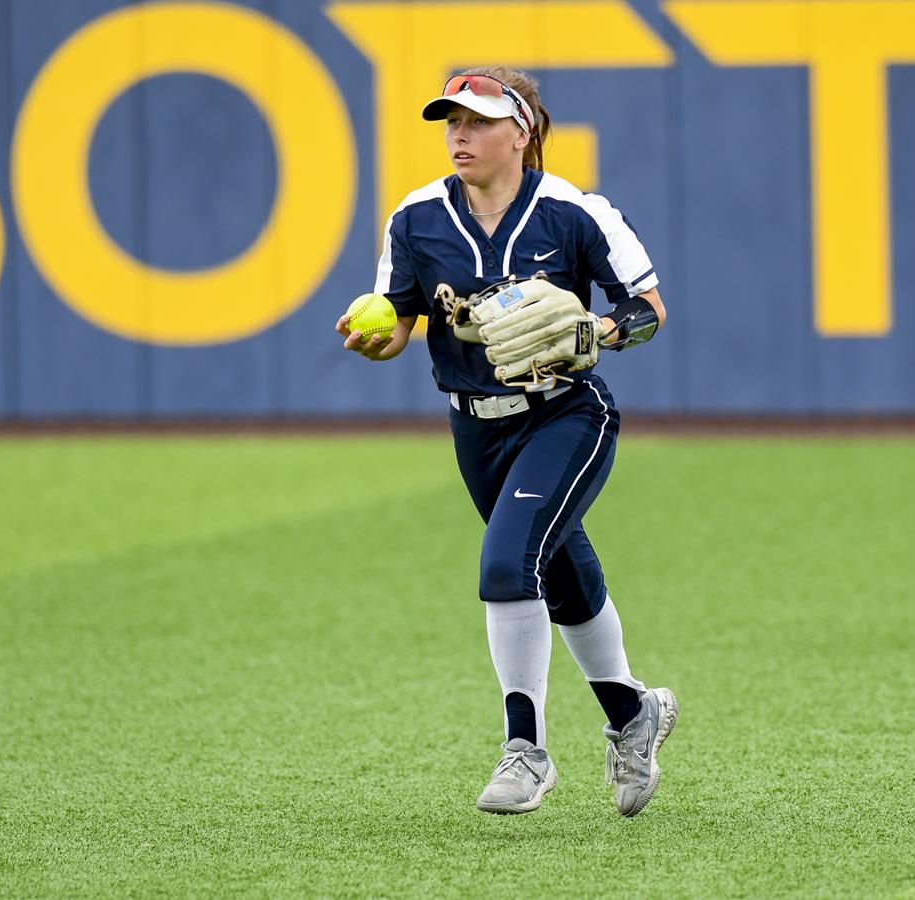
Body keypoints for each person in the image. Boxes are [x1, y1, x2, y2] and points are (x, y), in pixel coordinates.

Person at [336, 67, 676, 815]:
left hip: (565, 414)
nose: (460, 133)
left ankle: (524, 751)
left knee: (505, 563)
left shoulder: (572, 212)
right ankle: (632, 716)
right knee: (558, 573)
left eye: (478, 121)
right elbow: (398, 319)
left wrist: (604, 331)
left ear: (520, 132)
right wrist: (377, 339)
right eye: (451, 120)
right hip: (474, 428)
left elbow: (647, 305)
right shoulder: (418, 218)